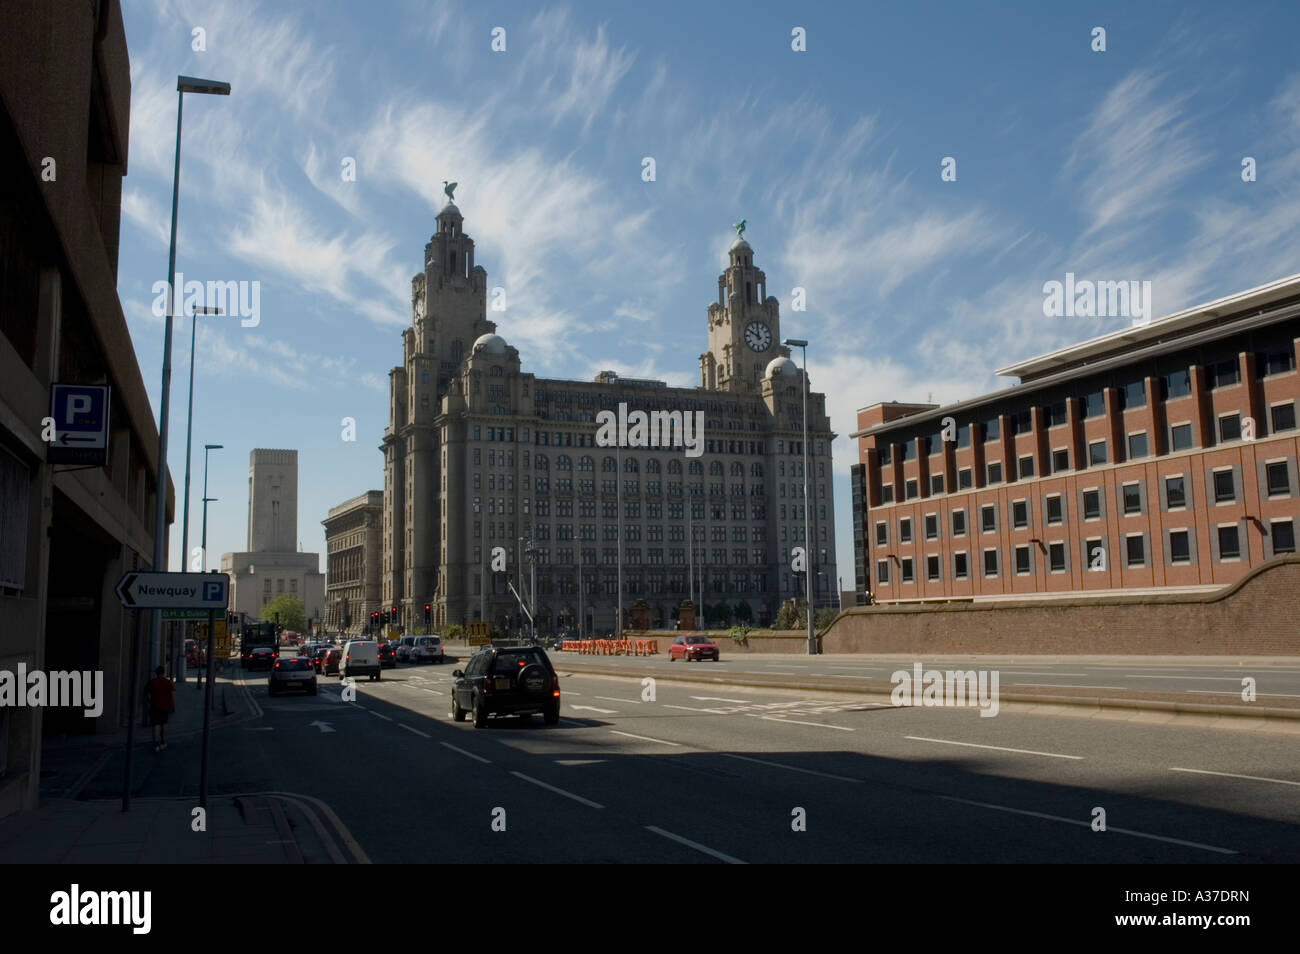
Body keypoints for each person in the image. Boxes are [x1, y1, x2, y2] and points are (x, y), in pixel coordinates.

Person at [144, 666, 175, 752]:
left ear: (156, 673)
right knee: (164, 723)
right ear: (164, 673)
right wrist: (172, 706)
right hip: (165, 706)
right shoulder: (168, 682)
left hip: (155, 706)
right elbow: (172, 695)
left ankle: (156, 743)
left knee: (156, 724)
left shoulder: (152, 682)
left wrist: (150, 701)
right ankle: (163, 742)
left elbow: (147, 693)